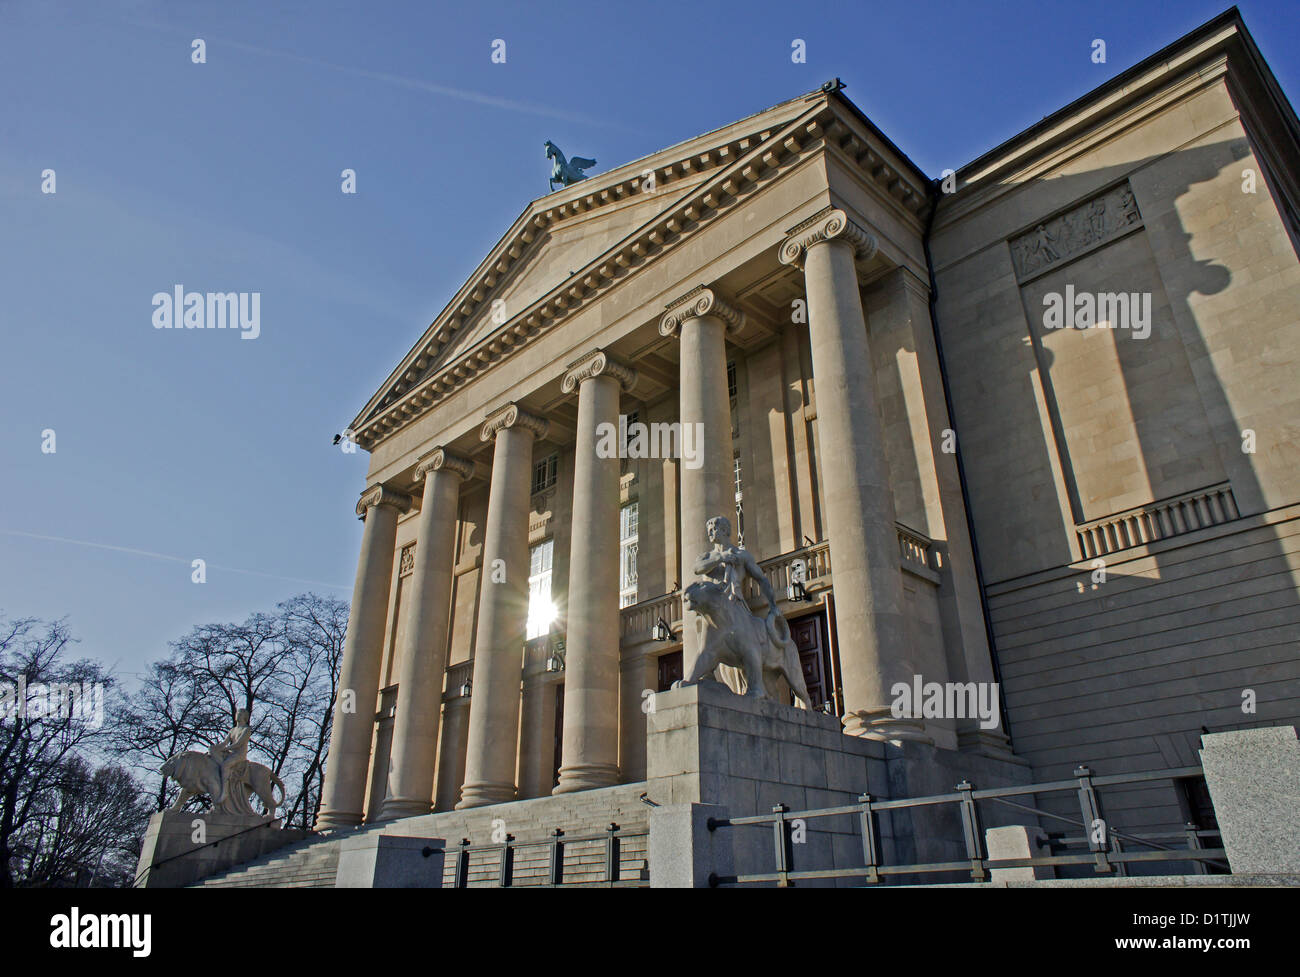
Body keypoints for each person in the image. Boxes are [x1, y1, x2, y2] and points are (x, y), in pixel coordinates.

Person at [208, 708, 251, 806]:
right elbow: (224, 743)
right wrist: (214, 748)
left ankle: (224, 792)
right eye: (237, 713)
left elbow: (238, 744)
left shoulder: (246, 729)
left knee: (225, 766)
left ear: (245, 717)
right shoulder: (232, 730)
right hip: (230, 753)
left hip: (239, 755)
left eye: (240, 714)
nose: (237, 715)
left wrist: (224, 749)